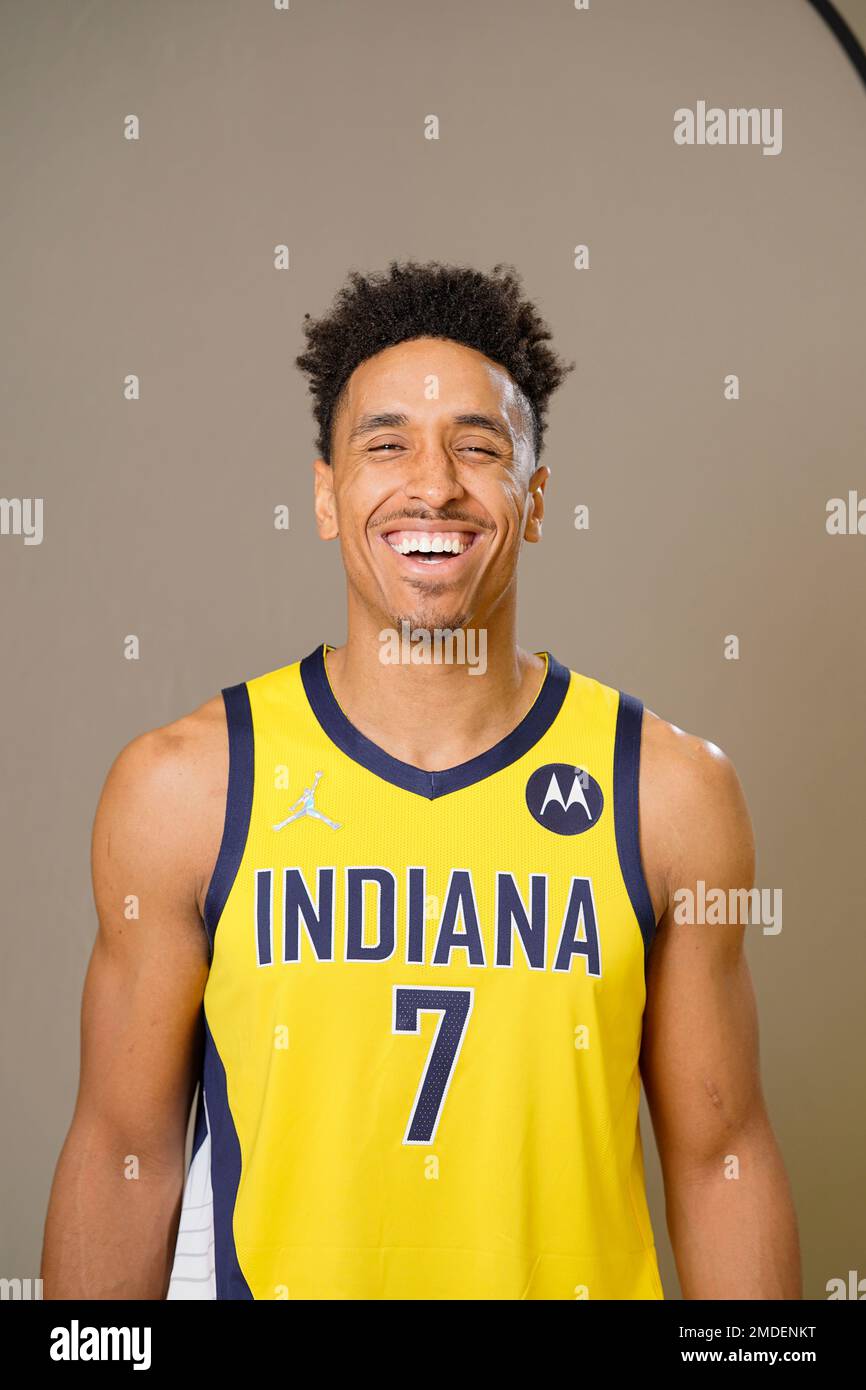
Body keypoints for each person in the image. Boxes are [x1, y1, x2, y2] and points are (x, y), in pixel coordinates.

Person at [42, 260, 800, 1300]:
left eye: (477, 448)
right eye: (384, 442)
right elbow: (124, 1154)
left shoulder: (664, 794)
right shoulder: (188, 788)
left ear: (533, 501)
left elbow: (720, 1158)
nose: (432, 482)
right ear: (325, 495)